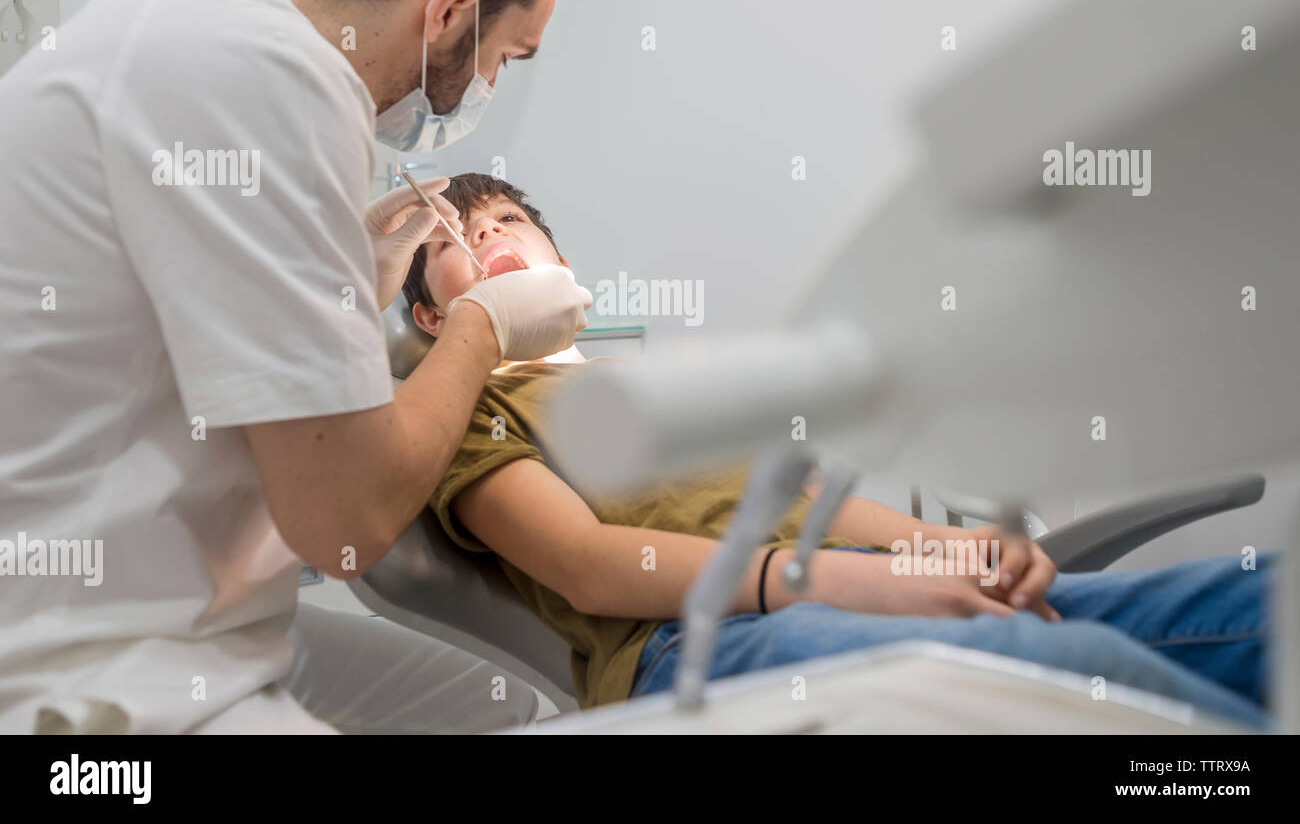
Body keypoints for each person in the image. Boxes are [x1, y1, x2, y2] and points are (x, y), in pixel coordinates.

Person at [0, 0, 590, 734]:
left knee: (507, 712)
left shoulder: (190, 21)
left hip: (156, 599)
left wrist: (346, 267)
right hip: (89, 668)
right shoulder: (275, 83)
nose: (492, 82)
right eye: (505, 56)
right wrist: (485, 325)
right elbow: (344, 525)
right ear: (453, 9)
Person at [403, 173, 1272, 729]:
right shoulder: (473, 409)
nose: (486, 234)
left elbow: (815, 504)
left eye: (508, 217)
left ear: (563, 261)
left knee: (1260, 605)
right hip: (702, 634)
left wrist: (956, 550)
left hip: (847, 571)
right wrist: (836, 578)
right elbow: (589, 565)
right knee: (1082, 676)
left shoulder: (666, 396)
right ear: (430, 318)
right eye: (450, 240)